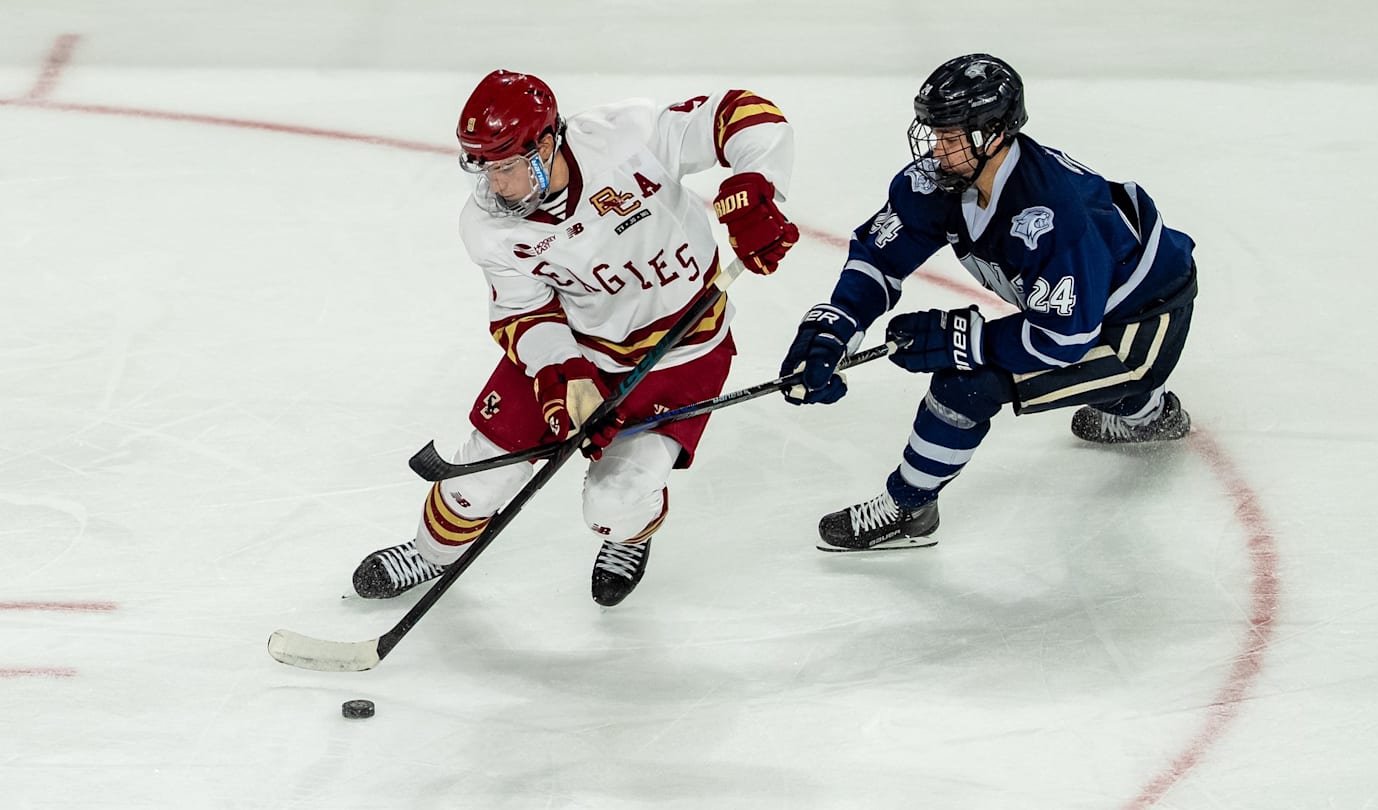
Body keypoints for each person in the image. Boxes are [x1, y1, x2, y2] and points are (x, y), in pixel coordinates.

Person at [352, 70, 797, 604]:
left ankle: (629, 535)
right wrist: (563, 377)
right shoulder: (488, 226)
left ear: (546, 143)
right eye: (484, 168)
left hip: (683, 354)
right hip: (578, 349)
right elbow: (521, 311)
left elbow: (741, 113)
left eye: (508, 166)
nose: (496, 185)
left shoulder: (627, 138)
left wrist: (755, 188)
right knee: (474, 480)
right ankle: (430, 553)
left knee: (614, 501)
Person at [779, 53, 1197, 552]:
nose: (937, 150)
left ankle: (908, 509)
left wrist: (965, 340)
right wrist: (837, 324)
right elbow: (881, 254)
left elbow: (1064, 340)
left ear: (994, 134)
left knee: (968, 382)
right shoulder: (946, 179)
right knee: (1007, 354)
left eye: (951, 138)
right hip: (1090, 305)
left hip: (1140, 324)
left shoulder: (1053, 214)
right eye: (935, 135)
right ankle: (1149, 413)